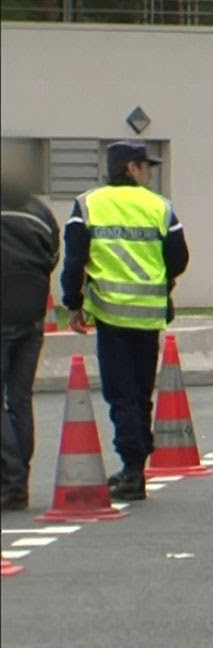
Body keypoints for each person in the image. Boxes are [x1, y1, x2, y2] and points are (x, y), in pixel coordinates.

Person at [60, 140, 189, 502]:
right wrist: (160, 282)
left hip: (111, 314)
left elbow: (74, 261)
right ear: (130, 168)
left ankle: (132, 467)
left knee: (121, 393)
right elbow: (179, 258)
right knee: (141, 392)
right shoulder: (160, 208)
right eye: (145, 166)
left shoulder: (88, 205)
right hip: (148, 315)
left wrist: (74, 303)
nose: (150, 173)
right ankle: (136, 464)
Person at [1, 161, 60, 511]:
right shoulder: (38, 212)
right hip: (32, 315)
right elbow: (52, 255)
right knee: (20, 399)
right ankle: (19, 479)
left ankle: (11, 480)